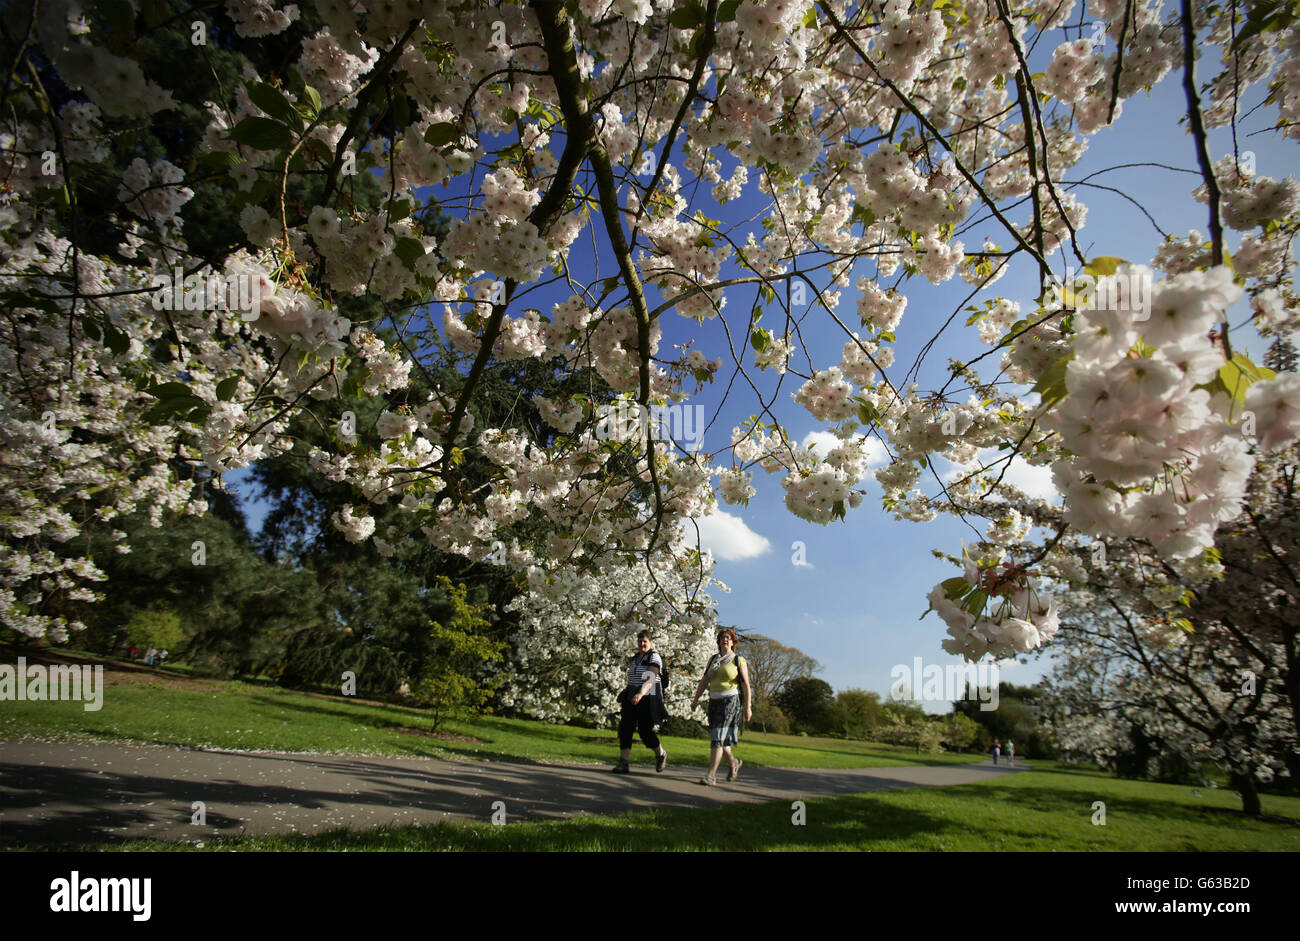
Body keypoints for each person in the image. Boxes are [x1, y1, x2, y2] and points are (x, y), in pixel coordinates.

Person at [691, 628, 751, 786]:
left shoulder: (738, 660)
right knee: (720, 738)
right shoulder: (713, 660)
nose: (725, 640)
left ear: (733, 642)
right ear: (718, 641)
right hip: (714, 701)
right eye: (722, 638)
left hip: (730, 701)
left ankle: (711, 775)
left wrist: (748, 707)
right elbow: (704, 680)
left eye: (728, 638)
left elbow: (745, 685)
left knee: (717, 736)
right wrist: (696, 699)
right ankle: (734, 762)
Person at [611, 630, 669, 774]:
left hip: (648, 697)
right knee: (625, 728)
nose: (642, 644)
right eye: (640, 641)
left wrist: (641, 693)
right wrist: (631, 693)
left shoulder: (654, 657)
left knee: (644, 731)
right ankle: (623, 762)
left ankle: (660, 753)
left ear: (651, 643)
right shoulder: (635, 658)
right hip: (631, 696)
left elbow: (651, 677)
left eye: (645, 641)